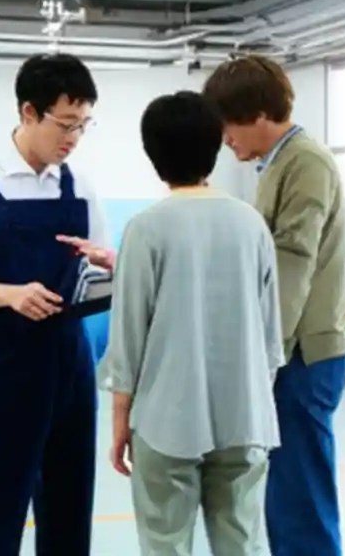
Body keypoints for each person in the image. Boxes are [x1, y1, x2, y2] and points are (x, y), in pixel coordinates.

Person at [0, 52, 115, 556]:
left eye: (83, 125)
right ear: (28, 112)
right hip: (5, 365)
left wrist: (110, 264)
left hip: (71, 363)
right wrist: (9, 295)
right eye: (65, 123)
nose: (73, 137)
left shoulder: (80, 185)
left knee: (70, 506)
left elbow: (99, 264)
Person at [98, 90, 284, 556]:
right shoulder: (251, 224)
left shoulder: (146, 228)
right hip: (245, 416)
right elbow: (269, 332)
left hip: (166, 419)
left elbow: (129, 337)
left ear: (152, 155)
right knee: (243, 543)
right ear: (216, 147)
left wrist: (121, 421)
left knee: (165, 544)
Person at [201, 54, 345, 556]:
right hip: (292, 350)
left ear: (260, 115)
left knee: (301, 491)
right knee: (285, 489)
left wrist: (266, 354)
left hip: (302, 352)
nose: (227, 140)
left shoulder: (304, 162)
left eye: (229, 128)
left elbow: (293, 262)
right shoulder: (277, 163)